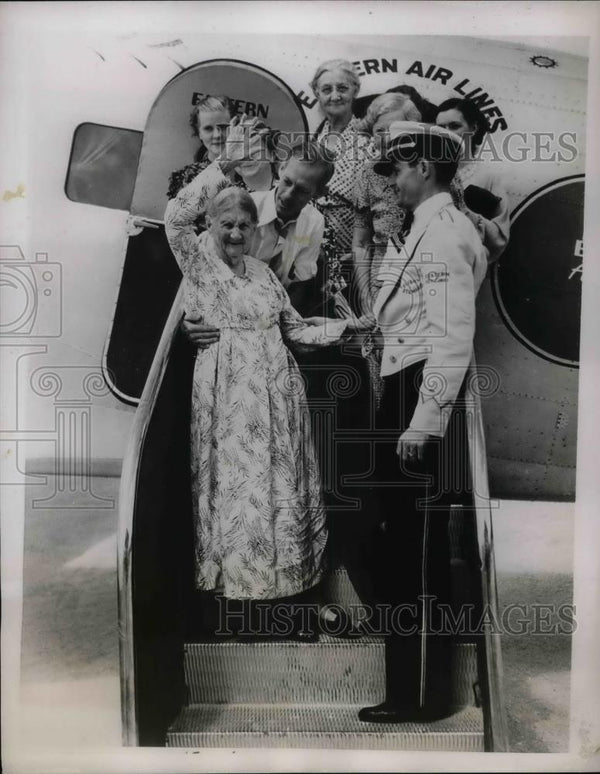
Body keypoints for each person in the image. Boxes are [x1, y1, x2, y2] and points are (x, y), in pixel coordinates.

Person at [164, 173, 365, 638]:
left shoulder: (262, 273)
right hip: (229, 394)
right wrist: (223, 164)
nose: (235, 233)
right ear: (210, 224)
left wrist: (347, 330)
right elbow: (175, 218)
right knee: (239, 489)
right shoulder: (198, 263)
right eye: (226, 224)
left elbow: (294, 329)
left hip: (279, 394)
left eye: (244, 225)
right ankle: (242, 597)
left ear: (257, 229)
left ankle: (286, 589)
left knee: (281, 486)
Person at [357, 121, 488, 723]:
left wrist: (422, 423)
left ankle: (419, 697)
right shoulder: (427, 227)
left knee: (414, 548)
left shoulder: (441, 232)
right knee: (401, 543)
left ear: (425, 168)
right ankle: (411, 691)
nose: (393, 180)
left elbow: (451, 336)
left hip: (417, 394)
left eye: (398, 169)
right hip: (402, 387)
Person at [167, 95, 277, 213]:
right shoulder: (184, 177)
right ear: (199, 134)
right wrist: (226, 160)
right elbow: (179, 212)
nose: (217, 135)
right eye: (208, 128)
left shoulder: (252, 176)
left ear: (234, 127)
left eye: (223, 127)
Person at [435, 97, 510, 263]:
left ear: (474, 128)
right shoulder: (428, 171)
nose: (446, 133)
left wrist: (466, 211)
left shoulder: (487, 177)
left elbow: (499, 239)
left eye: (454, 126)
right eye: (440, 128)